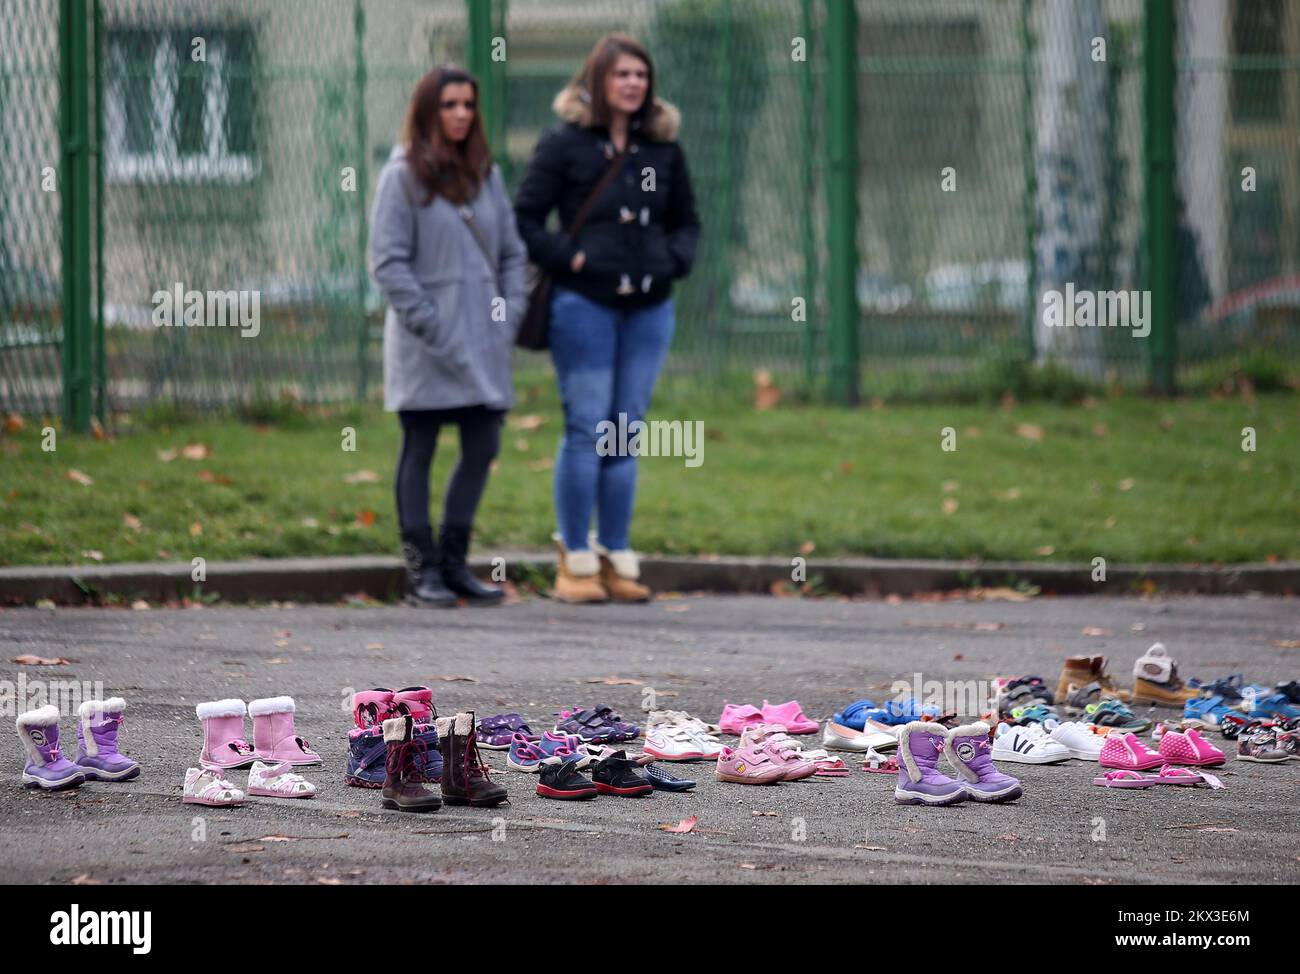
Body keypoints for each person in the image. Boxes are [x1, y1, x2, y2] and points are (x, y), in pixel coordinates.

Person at [514, 33, 700, 604]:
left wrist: (674, 261)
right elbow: (525, 216)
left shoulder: (663, 150)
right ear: (599, 80)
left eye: (641, 75)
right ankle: (574, 560)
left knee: (625, 431)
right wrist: (569, 257)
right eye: (622, 74)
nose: (633, 84)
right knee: (586, 427)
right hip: (584, 306)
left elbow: (686, 221)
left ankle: (616, 557)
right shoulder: (566, 142)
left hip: (648, 309)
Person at [370, 65, 527, 607]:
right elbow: (389, 265)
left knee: (483, 444)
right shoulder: (401, 176)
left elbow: (511, 252)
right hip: (425, 346)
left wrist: (507, 315)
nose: (461, 114)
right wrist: (434, 327)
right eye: (449, 105)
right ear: (427, 111)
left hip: (484, 342)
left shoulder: (487, 174)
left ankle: (455, 564)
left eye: (468, 104)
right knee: (421, 446)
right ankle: (423, 572)